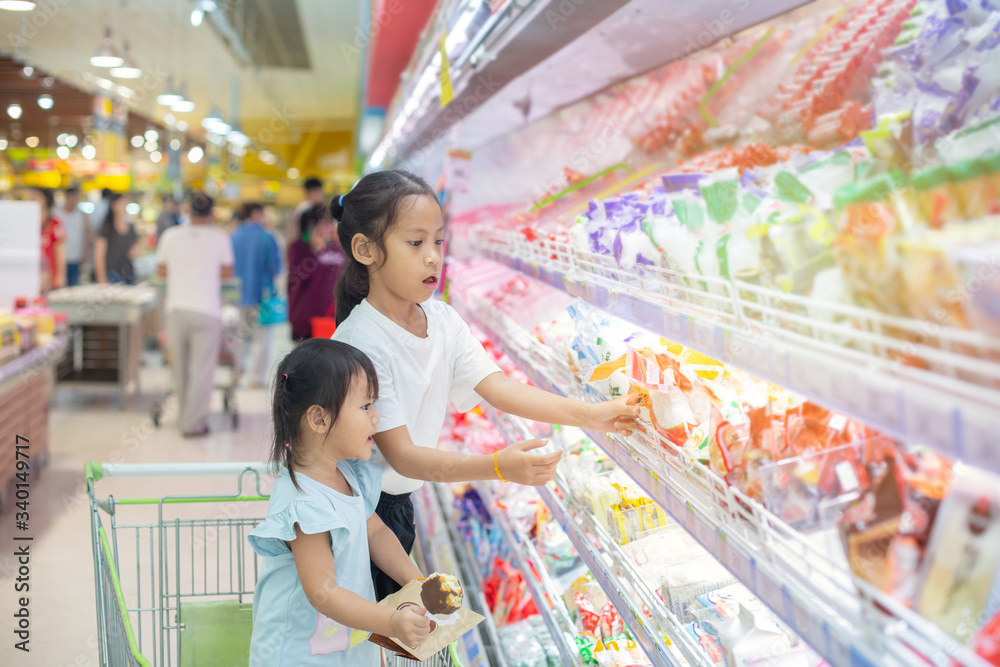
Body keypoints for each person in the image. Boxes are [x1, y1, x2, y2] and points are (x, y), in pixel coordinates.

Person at [331, 170, 638, 599]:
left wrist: (591, 415)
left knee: (388, 635)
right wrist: (497, 467)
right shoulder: (361, 341)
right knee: (356, 635)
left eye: (439, 241)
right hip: (351, 514)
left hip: (393, 507)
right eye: (415, 243)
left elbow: (497, 387)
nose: (434, 257)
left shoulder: (440, 320)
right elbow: (403, 457)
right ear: (365, 249)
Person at [247, 339, 430, 665]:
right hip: (298, 656)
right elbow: (323, 592)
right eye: (365, 406)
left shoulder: (348, 473)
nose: (376, 417)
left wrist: (418, 583)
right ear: (319, 419)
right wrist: (390, 622)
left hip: (344, 647)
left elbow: (376, 534)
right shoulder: (304, 504)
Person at [156, 192, 235, 437]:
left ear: (188, 211)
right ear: (212, 214)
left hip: (177, 309)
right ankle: (193, 423)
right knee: (203, 368)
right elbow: (227, 273)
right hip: (206, 310)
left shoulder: (171, 236)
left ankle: (183, 416)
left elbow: (160, 271)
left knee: (180, 367)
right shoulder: (220, 238)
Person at [231, 202, 282, 387]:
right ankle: (256, 379)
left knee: (240, 336)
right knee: (262, 340)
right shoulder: (268, 237)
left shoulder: (233, 237)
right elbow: (275, 268)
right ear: (256, 214)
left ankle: (236, 373)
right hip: (263, 295)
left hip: (237, 295)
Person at [287, 203, 346, 342]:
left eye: (331, 224)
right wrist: (314, 251)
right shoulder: (298, 248)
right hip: (304, 321)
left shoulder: (336, 247)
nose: (330, 228)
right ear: (311, 226)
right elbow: (296, 279)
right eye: (325, 224)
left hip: (330, 321)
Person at [95, 193, 139, 284]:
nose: (124, 206)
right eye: (121, 203)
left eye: (125, 203)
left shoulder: (131, 227)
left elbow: (136, 247)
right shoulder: (106, 228)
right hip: (111, 274)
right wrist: (101, 277)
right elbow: (99, 254)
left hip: (128, 273)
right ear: (113, 205)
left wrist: (136, 251)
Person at [34, 188, 66, 293]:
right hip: (31, 274)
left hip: (49, 276)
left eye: (37, 196)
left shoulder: (54, 224)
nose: (33, 199)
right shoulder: (26, 223)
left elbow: (60, 252)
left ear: (46, 200)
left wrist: (60, 276)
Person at [59, 186, 91, 286]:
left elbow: (87, 234)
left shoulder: (82, 215)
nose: (74, 200)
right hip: (61, 257)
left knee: (74, 285)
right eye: (72, 197)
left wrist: (85, 252)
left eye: (76, 198)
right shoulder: (57, 213)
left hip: (76, 257)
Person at [286, 177, 326, 246]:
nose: (320, 195)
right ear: (307, 193)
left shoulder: (323, 209)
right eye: (316, 191)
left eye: (320, 191)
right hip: (303, 247)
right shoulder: (301, 210)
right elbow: (293, 233)